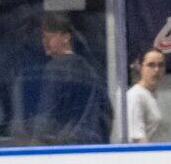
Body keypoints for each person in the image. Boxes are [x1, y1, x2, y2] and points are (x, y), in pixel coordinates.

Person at [24, 12, 111, 145]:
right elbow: (107, 111)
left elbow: (47, 115)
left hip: (62, 150)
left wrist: (37, 142)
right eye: (43, 37)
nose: (45, 42)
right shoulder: (90, 69)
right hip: (89, 148)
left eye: (49, 37)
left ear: (66, 37)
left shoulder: (55, 68)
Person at [127, 48, 166, 143]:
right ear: (140, 68)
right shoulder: (135, 96)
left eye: (160, 65)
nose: (156, 70)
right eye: (151, 65)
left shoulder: (152, 94)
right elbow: (137, 138)